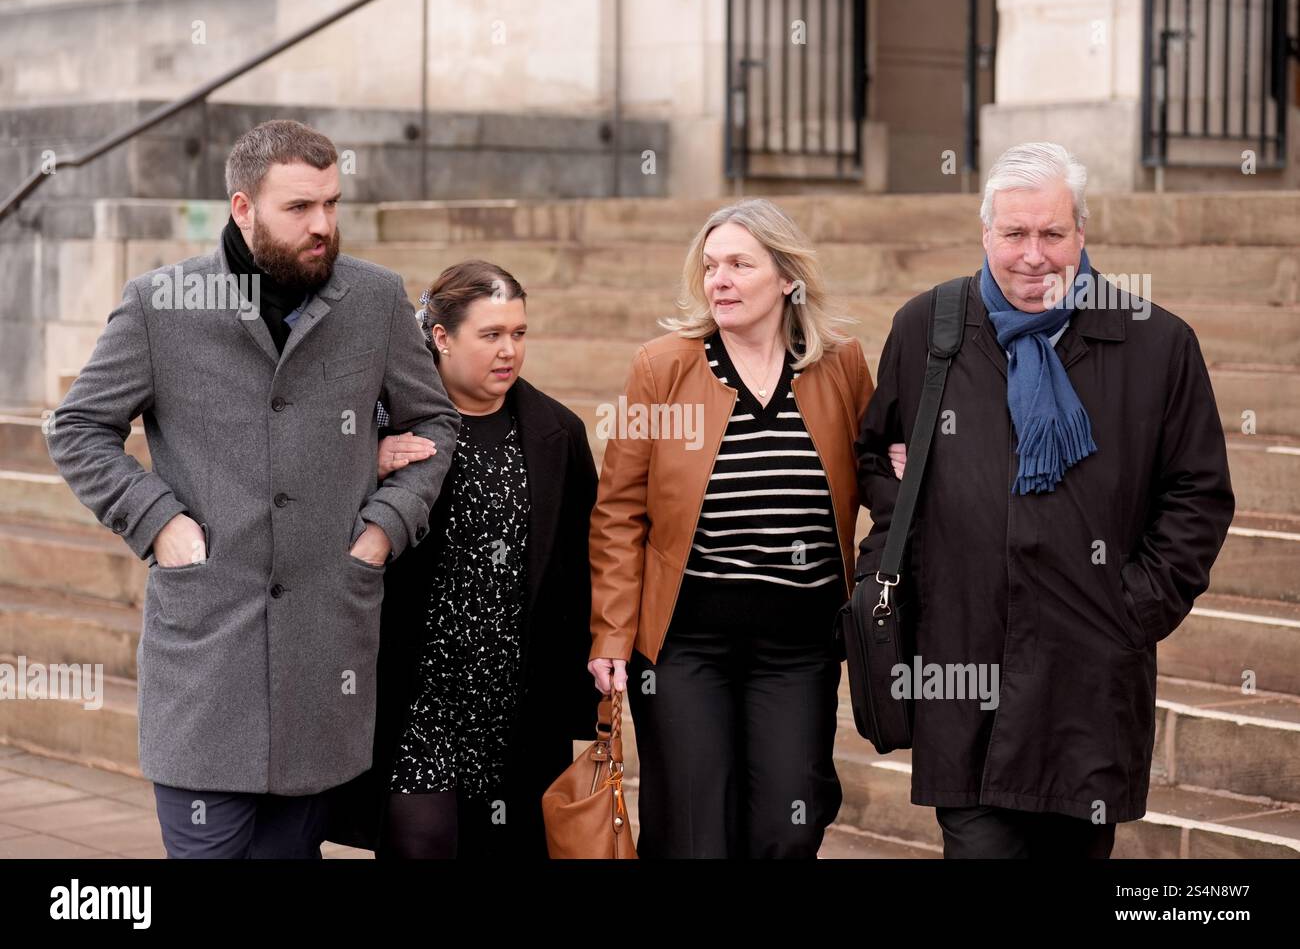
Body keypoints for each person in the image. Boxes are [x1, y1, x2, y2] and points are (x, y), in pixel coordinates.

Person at [47, 119, 460, 858]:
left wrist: (385, 527)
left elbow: (435, 421)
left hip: (322, 654)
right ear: (242, 208)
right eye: (300, 208)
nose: (323, 225)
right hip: (206, 659)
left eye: (332, 203)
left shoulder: (374, 300)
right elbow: (76, 427)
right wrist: (158, 521)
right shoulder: (157, 305)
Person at [854, 141, 1235, 858]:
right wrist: (920, 505)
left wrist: (1134, 608)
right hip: (963, 671)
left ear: (1082, 234)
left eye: (1052, 233)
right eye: (1015, 233)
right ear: (985, 233)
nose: (1034, 254)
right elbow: (876, 456)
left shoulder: (1157, 344)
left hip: (1088, 684)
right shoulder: (928, 329)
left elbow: (1199, 496)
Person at [587, 197, 877, 858]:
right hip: (685, 640)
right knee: (693, 833)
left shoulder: (842, 366)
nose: (719, 278)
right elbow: (618, 509)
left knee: (789, 824)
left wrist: (899, 458)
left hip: (799, 641)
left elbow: (877, 479)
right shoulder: (663, 367)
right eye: (711, 265)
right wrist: (610, 630)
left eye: (740, 264)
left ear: (787, 277)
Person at [328, 260, 599, 858]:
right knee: (421, 842)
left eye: (519, 334)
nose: (509, 351)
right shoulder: (383, 426)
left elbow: (580, 568)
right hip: (415, 694)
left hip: (514, 704)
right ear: (441, 338)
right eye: (491, 335)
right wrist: (363, 463)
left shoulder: (559, 432)